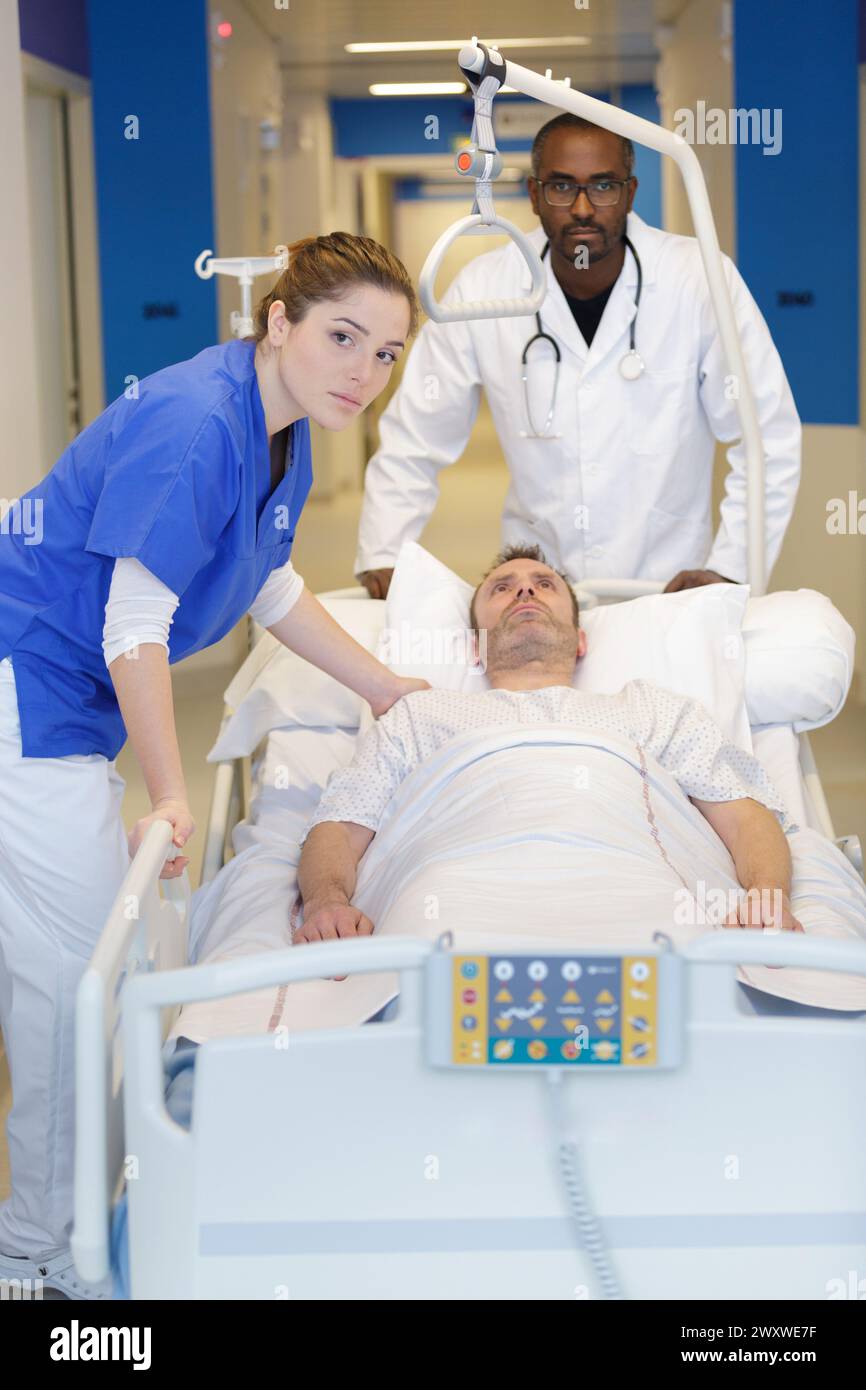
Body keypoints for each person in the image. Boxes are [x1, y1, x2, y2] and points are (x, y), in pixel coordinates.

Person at [0, 232, 428, 1298]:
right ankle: (37, 1253)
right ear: (276, 321)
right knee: (78, 982)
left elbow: (265, 582)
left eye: (385, 353)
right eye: (341, 337)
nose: (361, 374)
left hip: (60, 706)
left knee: (98, 968)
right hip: (28, 689)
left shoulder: (286, 426)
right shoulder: (197, 422)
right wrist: (173, 793)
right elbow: (133, 625)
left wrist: (384, 690)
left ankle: (61, 1222)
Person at [355, 114, 801, 599]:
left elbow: (765, 438)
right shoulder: (485, 289)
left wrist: (731, 569)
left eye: (604, 186)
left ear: (630, 193)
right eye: (562, 187)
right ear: (533, 194)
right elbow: (414, 436)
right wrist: (385, 550)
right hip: (535, 585)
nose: (583, 207)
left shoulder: (699, 278)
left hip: (669, 584)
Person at [298, 543, 805, 949]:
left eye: (543, 585)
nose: (525, 593)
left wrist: (766, 896)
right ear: (475, 646)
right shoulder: (417, 715)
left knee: (671, 943)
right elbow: (340, 827)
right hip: (456, 900)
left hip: (635, 891)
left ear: (581, 640)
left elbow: (744, 817)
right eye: (503, 588)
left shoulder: (653, 710)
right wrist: (326, 903)